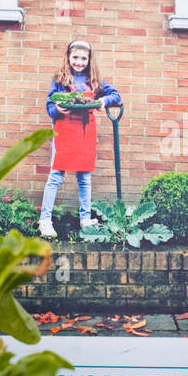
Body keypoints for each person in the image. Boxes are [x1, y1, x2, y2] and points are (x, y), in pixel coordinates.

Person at [38, 40, 122, 238]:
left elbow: (115, 95)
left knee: (84, 177)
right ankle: (45, 220)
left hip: (85, 133)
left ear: (89, 60)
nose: (79, 61)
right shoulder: (60, 80)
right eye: (75, 57)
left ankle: (85, 220)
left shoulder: (94, 80)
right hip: (63, 132)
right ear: (68, 57)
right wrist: (57, 109)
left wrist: (102, 100)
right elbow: (50, 106)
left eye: (84, 58)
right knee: (56, 176)